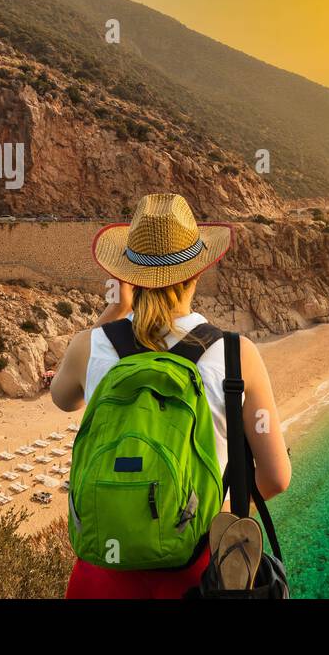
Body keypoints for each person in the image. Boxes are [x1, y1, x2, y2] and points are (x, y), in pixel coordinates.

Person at [50, 193, 291, 598]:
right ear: (197, 272)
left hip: (99, 573)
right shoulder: (235, 354)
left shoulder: (87, 346)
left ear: (130, 275)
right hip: (193, 575)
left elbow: (64, 398)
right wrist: (189, 516)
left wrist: (111, 315)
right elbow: (276, 477)